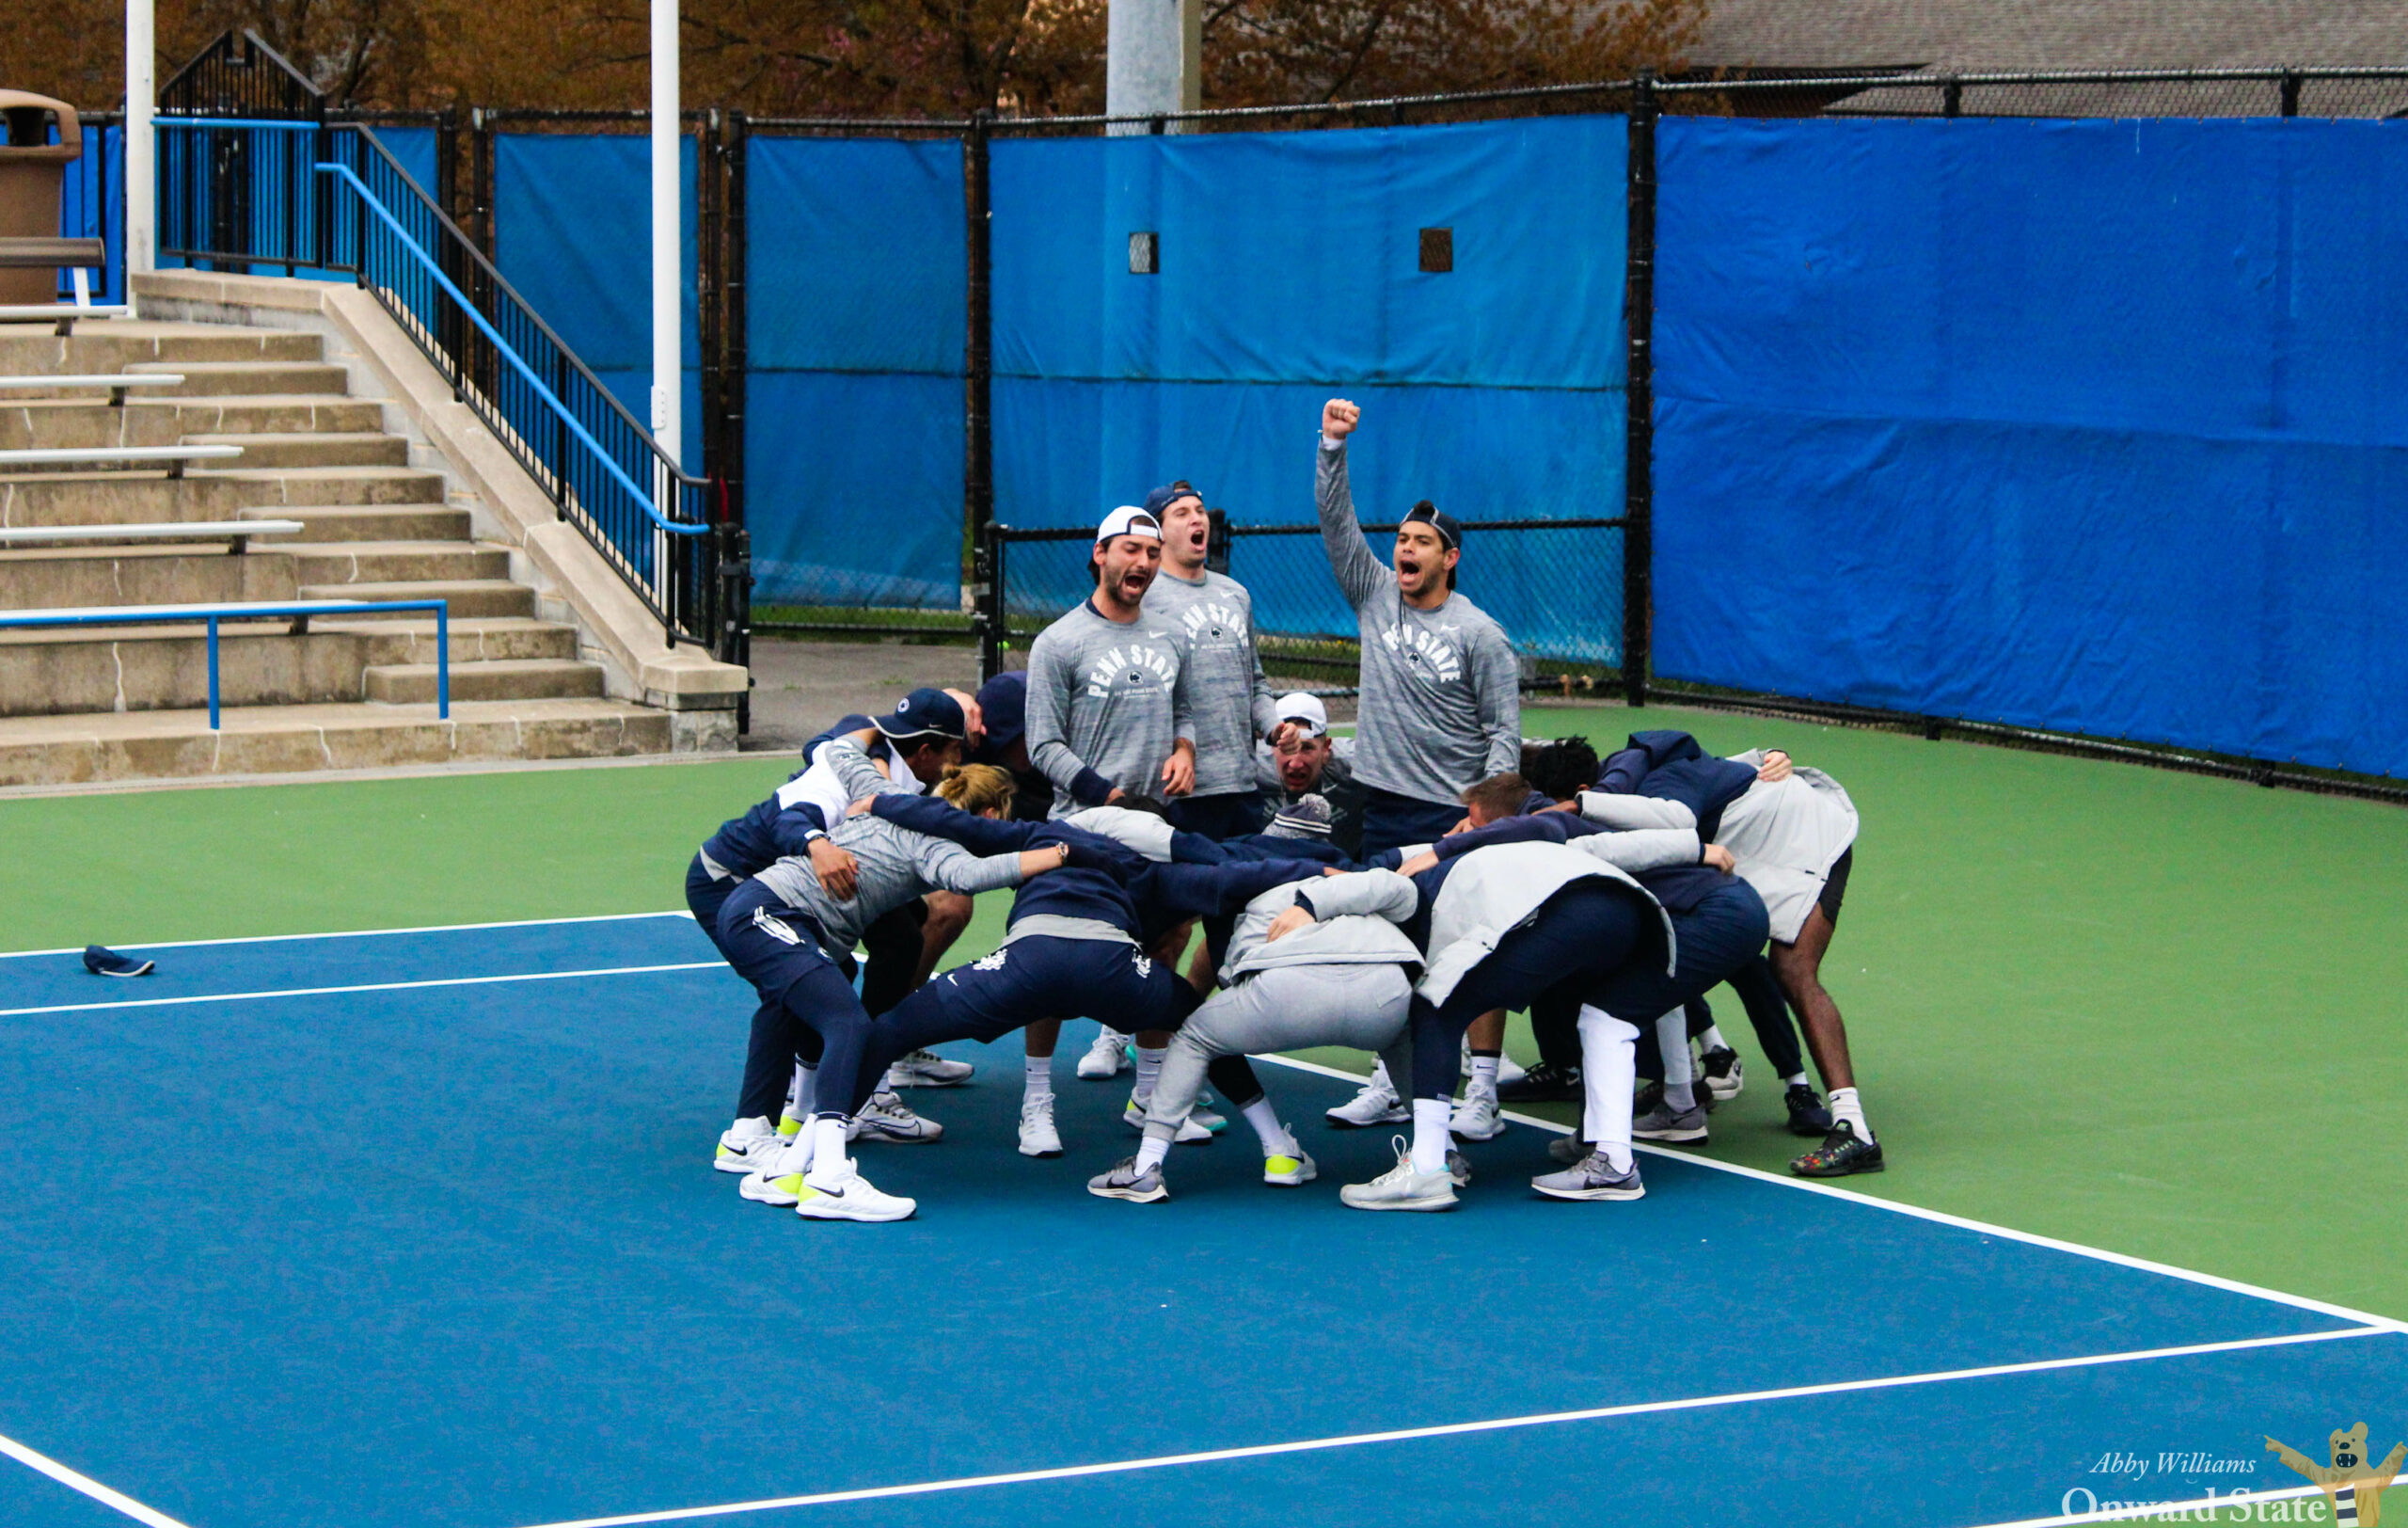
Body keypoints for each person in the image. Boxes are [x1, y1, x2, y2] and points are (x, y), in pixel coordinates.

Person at [841, 794, 1337, 1211]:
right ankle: (1279, 1147)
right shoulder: (1144, 867)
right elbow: (1242, 874)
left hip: (1025, 964)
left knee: (887, 1029)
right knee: (1208, 1031)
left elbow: (955, 822)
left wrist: (879, 801)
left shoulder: (1040, 839)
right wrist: (1336, 870)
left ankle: (817, 1149)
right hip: (1113, 970)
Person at [713, 758, 1078, 1223]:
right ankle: (828, 1179)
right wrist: (1066, 854)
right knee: (847, 1024)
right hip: (768, 913)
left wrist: (867, 741)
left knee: (843, 1024)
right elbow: (974, 876)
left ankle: (784, 1172)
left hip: (774, 915)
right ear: (990, 818)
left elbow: (842, 754)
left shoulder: (893, 798)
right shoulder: (937, 848)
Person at [1581, 733, 1878, 1176]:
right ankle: (1690, 1085)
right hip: (1758, 849)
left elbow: (1683, 808)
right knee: (1701, 944)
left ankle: (1853, 1128)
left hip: (1811, 836)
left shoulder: (1661, 782)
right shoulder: (1652, 780)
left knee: (1793, 970)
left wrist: (1579, 806)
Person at [1085, 861, 1421, 1204]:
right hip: (1382, 994)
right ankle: (1438, 1156)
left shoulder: (1253, 891)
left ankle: (1146, 1167)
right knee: (1404, 1038)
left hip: (1285, 991)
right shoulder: (1360, 883)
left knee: (1196, 1037)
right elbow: (1405, 891)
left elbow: (1232, 977)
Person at [1021, 505, 1198, 1121]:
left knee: (1168, 941)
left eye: (1151, 554)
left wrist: (1184, 747)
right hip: (1082, 829)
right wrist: (1106, 795)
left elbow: (1187, 710)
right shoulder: (1059, 642)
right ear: (1100, 555)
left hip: (1156, 828)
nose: (1143, 564)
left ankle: (1148, 1094)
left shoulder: (1170, 635)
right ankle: (1036, 1101)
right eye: (1130, 551)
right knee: (1049, 962)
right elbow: (1043, 745)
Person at [1307, 397, 1520, 857]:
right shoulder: (1374, 593)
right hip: (1381, 805)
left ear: (1450, 559)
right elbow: (1337, 522)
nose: (1407, 548)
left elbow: (1503, 731)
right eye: (1403, 539)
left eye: (1423, 542)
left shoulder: (1480, 633)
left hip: (1451, 812)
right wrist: (1332, 444)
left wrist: (1486, 816)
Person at [1142, 481, 1276, 840]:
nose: (1196, 520)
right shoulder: (1145, 598)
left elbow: (1256, 682)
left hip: (1241, 783)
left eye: (1199, 512)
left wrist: (1274, 726)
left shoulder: (1236, 594)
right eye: (1181, 513)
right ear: (1159, 531)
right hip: (1181, 791)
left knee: (1249, 889)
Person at [1255, 692, 1365, 859]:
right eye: (1286, 748)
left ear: (1326, 748)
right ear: (1272, 747)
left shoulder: (1357, 764)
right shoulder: (1250, 767)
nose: (1295, 763)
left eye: (1306, 748)